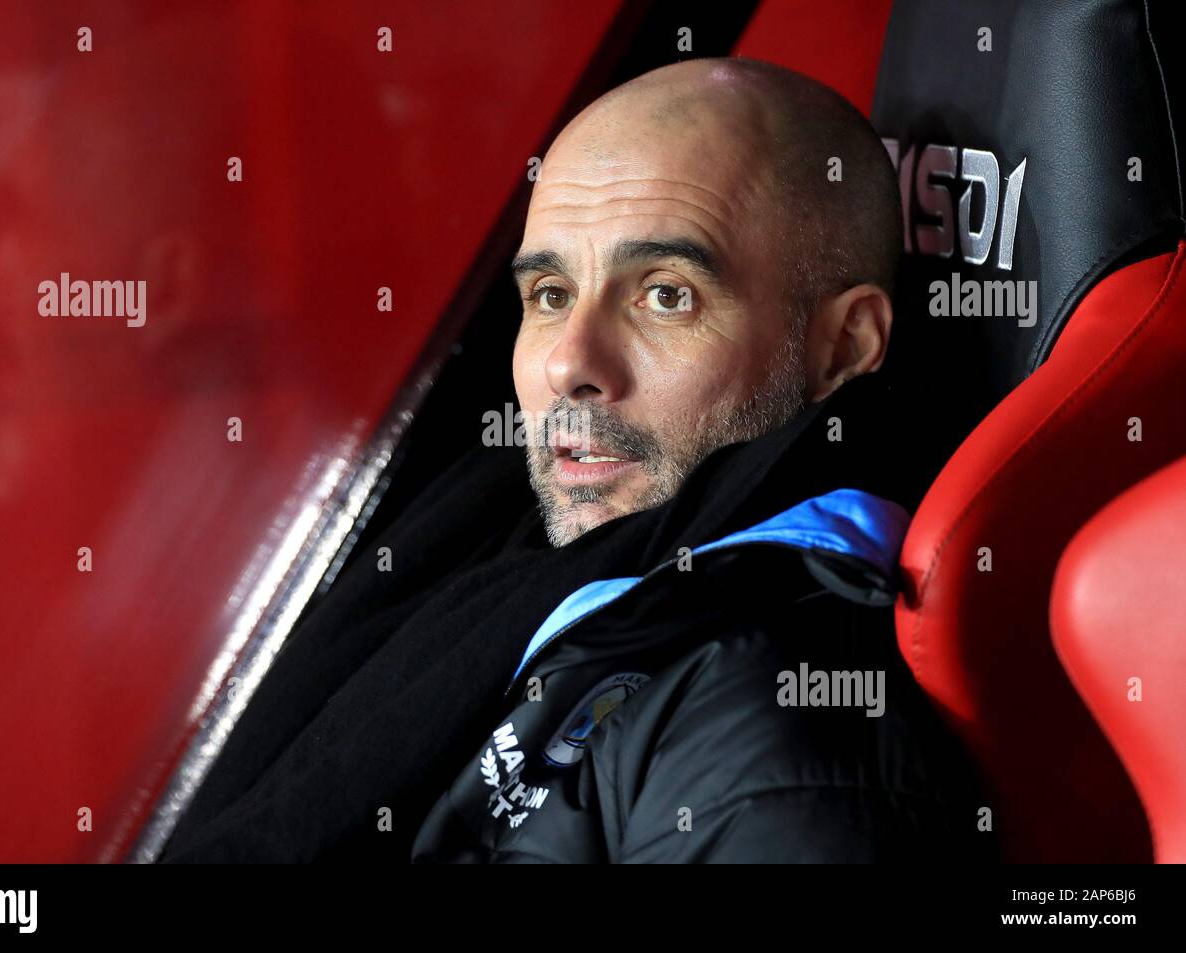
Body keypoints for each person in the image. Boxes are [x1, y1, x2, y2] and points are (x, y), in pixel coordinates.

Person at [162, 57, 989, 864]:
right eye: (551, 294)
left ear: (844, 345)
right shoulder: (493, 551)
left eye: (665, 293)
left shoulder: (772, 714)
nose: (568, 362)